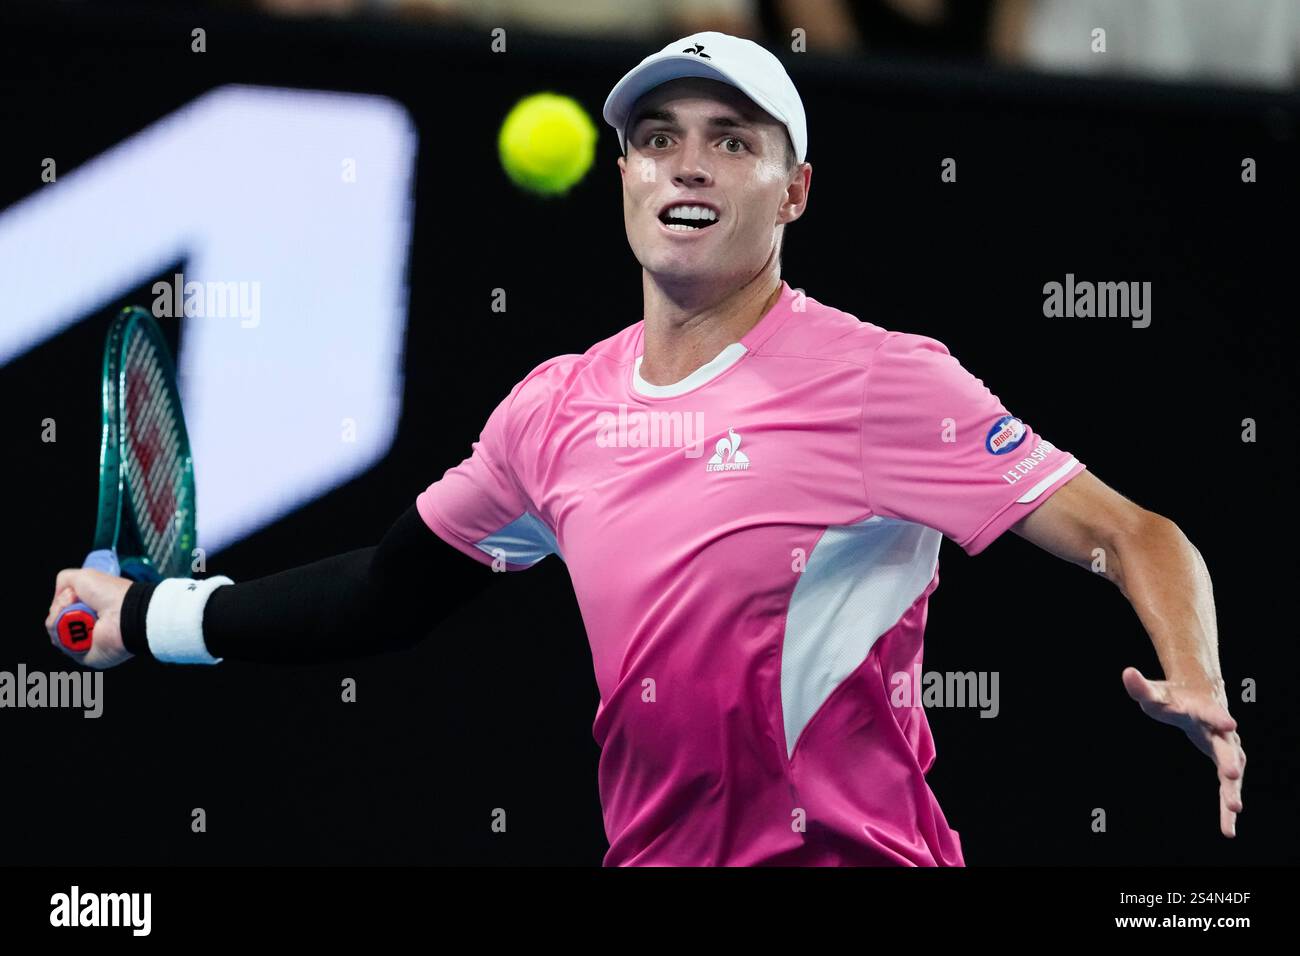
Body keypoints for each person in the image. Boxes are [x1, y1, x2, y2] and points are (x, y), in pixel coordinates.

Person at [45, 31, 1244, 866]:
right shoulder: (552, 412)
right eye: (660, 136)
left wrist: (1191, 669)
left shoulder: (886, 380)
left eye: (733, 140)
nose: (688, 159)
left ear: (794, 193)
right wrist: (149, 618)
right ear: (622, 173)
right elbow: (381, 593)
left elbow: (1132, 531)